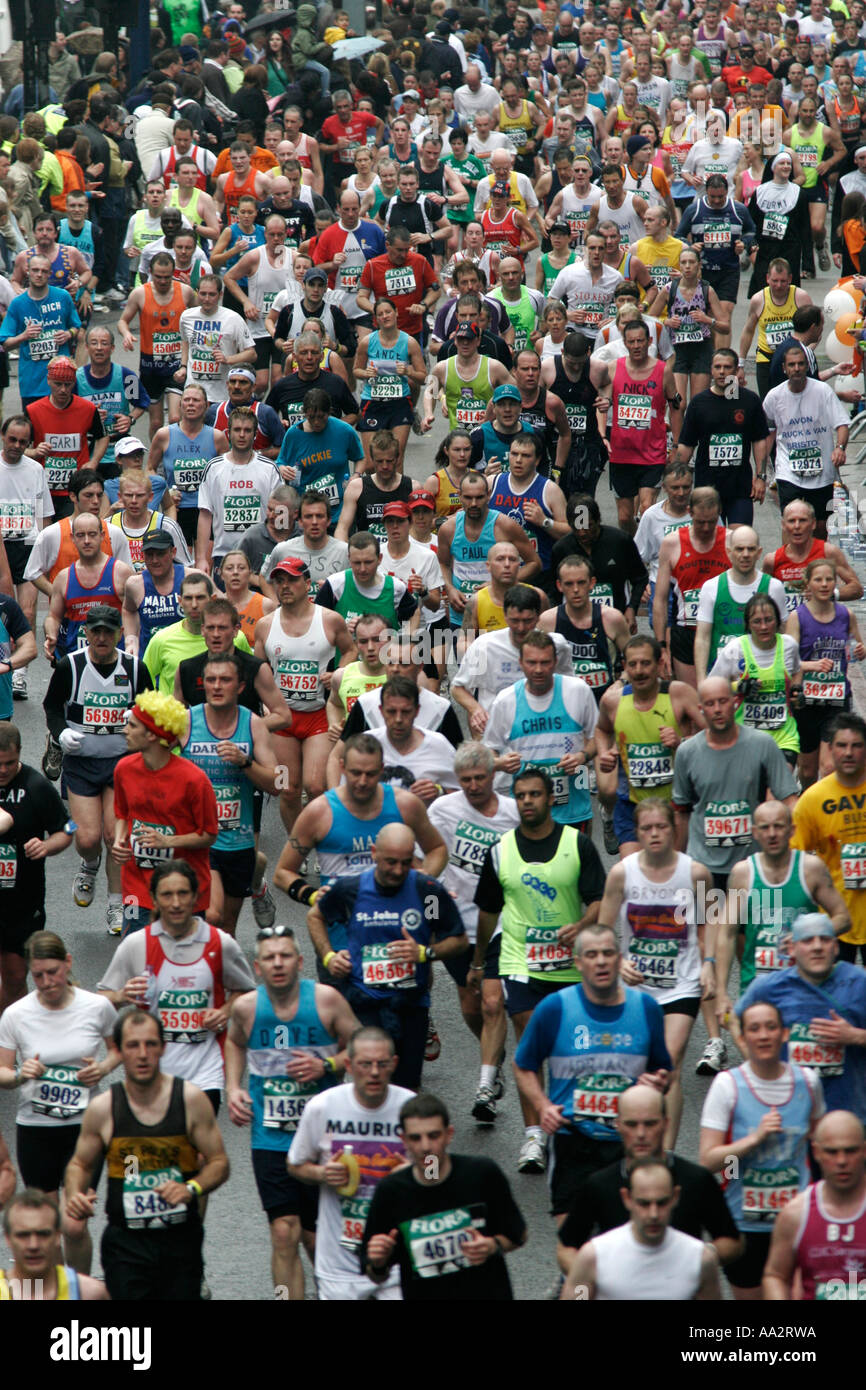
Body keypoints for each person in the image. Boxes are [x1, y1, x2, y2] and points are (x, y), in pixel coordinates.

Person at [471, 768, 606, 1173]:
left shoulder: (577, 844)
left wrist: (581, 927)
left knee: (569, 1050)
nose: (528, 801)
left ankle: (570, 1123)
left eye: (535, 795)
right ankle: (533, 1138)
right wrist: (479, 961)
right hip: (519, 960)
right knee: (529, 1043)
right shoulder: (500, 850)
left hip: (568, 966)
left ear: (550, 799)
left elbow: (598, 901)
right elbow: (488, 911)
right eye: (522, 795)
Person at [225, 923, 360, 1299]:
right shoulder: (248, 1008)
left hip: (323, 1139)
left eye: (285, 956)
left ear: (300, 961)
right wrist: (234, 1087)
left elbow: (363, 1048)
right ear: (257, 967)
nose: (278, 963)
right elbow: (235, 1043)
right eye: (270, 958)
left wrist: (328, 1067)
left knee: (318, 1240)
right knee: (284, 1230)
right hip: (271, 1136)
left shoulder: (327, 1001)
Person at [64, 1006, 229, 1301]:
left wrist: (191, 1188)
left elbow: (219, 1163)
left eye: (150, 1044)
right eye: (133, 1045)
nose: (142, 1054)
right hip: (126, 1243)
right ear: (120, 1052)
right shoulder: (103, 1108)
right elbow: (79, 1163)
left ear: (163, 1048)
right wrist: (74, 1193)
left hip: (180, 1239)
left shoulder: (190, 1099)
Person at [511, 915, 672, 1189]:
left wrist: (659, 1083)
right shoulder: (554, 1008)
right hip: (572, 1139)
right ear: (578, 962)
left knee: (624, 1228)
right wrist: (542, 1106)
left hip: (628, 1142)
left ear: (619, 959)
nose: (601, 961)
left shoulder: (646, 1008)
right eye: (592, 954)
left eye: (608, 953)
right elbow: (523, 1065)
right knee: (571, 1229)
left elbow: (663, 1072)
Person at [596, 799, 714, 1147]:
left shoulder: (696, 873)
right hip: (636, 987)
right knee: (638, 1066)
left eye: (661, 827)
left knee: (670, 1061)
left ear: (673, 828)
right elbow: (602, 931)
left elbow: (711, 924)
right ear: (638, 832)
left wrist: (709, 966)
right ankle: (638, 1142)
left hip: (682, 983)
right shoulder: (622, 873)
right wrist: (618, 962)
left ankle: (666, 1152)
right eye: (646, 828)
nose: (655, 834)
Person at [0, 930, 117, 1274]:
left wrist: (103, 1068)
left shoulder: (96, 1007)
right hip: (37, 1128)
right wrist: (23, 1074)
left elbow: (120, 1049)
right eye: (38, 976)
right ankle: (58, 1294)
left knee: (75, 1224)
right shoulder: (16, 1015)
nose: (47, 982)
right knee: (48, 1229)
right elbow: (2, 1071)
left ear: (68, 963)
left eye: (53, 972)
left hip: (85, 1129)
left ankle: (79, 1287)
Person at [700, 998, 823, 1299]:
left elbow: (823, 1148)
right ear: (742, 1038)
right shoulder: (727, 1085)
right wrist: (751, 1141)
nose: (764, 1035)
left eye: (771, 1027)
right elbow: (709, 1161)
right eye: (754, 1029)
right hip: (744, 1221)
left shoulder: (808, 1082)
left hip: (796, 1221)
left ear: (785, 1033)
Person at [43, 604, 152, 935]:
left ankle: (116, 903)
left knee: (114, 836)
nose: (102, 638)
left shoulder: (134, 668)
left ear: (119, 633)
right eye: (96, 631)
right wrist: (61, 733)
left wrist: (139, 718)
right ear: (86, 633)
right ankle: (89, 864)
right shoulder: (70, 666)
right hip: (82, 763)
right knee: (89, 838)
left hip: (123, 764)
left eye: (109, 631)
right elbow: (51, 706)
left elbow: (150, 708)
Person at [556, 1084, 742, 1277]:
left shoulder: (696, 1180)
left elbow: (731, 1242)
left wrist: (699, 1259)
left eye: (650, 1124)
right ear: (618, 1125)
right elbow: (566, 1248)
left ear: (666, 1123)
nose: (641, 1134)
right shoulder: (599, 1185)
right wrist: (592, 1277)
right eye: (631, 1124)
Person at [287, 1026, 412, 1301]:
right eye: (365, 1064)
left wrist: (416, 1175)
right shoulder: (322, 1107)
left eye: (382, 1064)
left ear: (394, 1064)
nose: (375, 1072)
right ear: (349, 1065)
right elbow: (295, 1164)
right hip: (339, 1262)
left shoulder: (411, 1108)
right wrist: (322, 1173)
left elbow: (436, 1168)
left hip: (399, 1259)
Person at [361, 1091, 526, 1299]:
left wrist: (492, 1246)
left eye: (433, 1135)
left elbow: (518, 1234)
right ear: (403, 1140)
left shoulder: (482, 1174)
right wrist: (378, 1263)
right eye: (415, 1138)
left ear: (449, 1134)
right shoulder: (391, 1191)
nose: (426, 1147)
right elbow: (376, 1274)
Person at [178, 653, 276, 936]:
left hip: (239, 840)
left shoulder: (254, 724)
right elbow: (153, 762)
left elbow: (279, 782)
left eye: (225, 680)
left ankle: (218, 978)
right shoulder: (185, 722)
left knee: (227, 929)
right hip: (197, 839)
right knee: (213, 914)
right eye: (211, 680)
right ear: (203, 686)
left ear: (240, 687)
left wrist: (245, 762)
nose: (217, 686)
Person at [255, 555, 352, 834]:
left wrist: (337, 675)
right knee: (288, 788)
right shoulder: (265, 625)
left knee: (316, 786)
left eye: (292, 580)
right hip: (283, 720)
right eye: (279, 581)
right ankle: (298, 846)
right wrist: (265, 705)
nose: (284, 586)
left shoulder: (330, 620)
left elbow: (351, 649)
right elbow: (257, 669)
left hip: (318, 717)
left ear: (307, 584)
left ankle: (323, 842)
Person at [112, 691, 219, 936]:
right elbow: (123, 813)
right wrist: (120, 840)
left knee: (181, 964)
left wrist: (167, 841)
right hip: (137, 888)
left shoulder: (195, 780)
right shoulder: (124, 769)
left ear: (151, 734)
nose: (125, 730)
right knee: (139, 962)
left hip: (184, 892)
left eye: (132, 725)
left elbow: (209, 835)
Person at [596, 633, 703, 858]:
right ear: (624, 666)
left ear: (660, 663)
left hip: (675, 804)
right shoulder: (613, 701)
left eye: (646, 663)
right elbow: (602, 729)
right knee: (633, 875)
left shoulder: (679, 694)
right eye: (633, 664)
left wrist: (682, 742)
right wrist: (604, 752)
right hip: (631, 803)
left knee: (672, 874)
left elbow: (713, 734)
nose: (639, 670)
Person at [561, 1157, 722, 1300]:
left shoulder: (701, 1259)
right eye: (644, 1204)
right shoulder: (593, 1257)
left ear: (675, 1198)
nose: (653, 1214)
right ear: (627, 1199)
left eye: (661, 1203)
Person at [763, 1109, 866, 1299]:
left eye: (851, 1151)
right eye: (832, 1152)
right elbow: (776, 1275)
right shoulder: (795, 1214)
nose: (841, 1161)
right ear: (816, 1152)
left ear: (864, 1150)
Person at [594, 319, 681, 537]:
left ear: (649, 341)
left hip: (652, 452)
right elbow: (601, 403)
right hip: (621, 452)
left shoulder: (663, 371)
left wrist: (677, 444)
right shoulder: (613, 368)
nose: (636, 346)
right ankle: (635, 551)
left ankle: (646, 558)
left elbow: (677, 406)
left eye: (640, 341)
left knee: (646, 508)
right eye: (631, 342)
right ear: (624, 343)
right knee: (624, 518)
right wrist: (602, 434)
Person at [675, 347, 770, 528]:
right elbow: (686, 445)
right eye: (717, 367)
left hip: (739, 488)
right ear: (711, 370)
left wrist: (760, 477)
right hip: (706, 489)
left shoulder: (750, 401)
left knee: (739, 541)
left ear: (735, 371)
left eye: (727, 367)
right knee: (710, 543)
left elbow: (759, 440)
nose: (721, 371)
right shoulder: (699, 403)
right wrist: (677, 480)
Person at [763, 343, 850, 538]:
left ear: (807, 367)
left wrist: (840, 448)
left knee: (819, 528)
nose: (796, 368)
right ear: (784, 368)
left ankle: (816, 565)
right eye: (792, 365)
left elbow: (842, 424)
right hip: (788, 470)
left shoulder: (823, 392)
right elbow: (766, 435)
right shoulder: (774, 397)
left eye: (801, 364)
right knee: (790, 521)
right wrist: (761, 472)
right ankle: (789, 565)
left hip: (822, 472)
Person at [653, 486, 730, 686]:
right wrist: (662, 645)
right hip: (687, 630)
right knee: (691, 699)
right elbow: (660, 600)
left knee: (722, 699)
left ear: (719, 512)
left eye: (711, 522)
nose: (705, 528)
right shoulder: (672, 543)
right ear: (690, 512)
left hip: (723, 630)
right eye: (700, 522)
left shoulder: (732, 541)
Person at [195, 410, 282, 582]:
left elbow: (281, 513)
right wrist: (201, 559)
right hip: (224, 555)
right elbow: (205, 515)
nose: (242, 435)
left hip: (262, 555)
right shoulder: (213, 467)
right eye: (237, 430)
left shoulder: (270, 468)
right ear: (228, 433)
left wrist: (281, 549)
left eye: (247, 430)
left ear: (255, 434)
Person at [694, 526, 787, 685]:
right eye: (739, 549)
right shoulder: (712, 587)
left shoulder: (774, 587)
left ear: (759, 552)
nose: (745, 555)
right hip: (722, 677)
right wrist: (702, 680)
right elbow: (702, 638)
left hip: (763, 678)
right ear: (729, 552)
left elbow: (784, 634)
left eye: (751, 549)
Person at [119, 254, 197, 436]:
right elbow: (123, 321)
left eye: (167, 276)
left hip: (176, 364)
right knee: (155, 422)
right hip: (150, 366)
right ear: (150, 273)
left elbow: (199, 314)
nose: (163, 281)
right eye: (158, 276)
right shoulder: (139, 293)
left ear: (173, 273)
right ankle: (157, 462)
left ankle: (172, 459)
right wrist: (126, 333)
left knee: (176, 418)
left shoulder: (185, 292)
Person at [538, 554, 630, 704]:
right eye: (569, 584)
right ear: (559, 586)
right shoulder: (547, 621)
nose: (575, 589)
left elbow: (634, 659)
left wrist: (621, 683)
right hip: (564, 703)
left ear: (592, 583)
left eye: (581, 582)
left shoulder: (612, 618)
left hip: (605, 701)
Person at [25, 355, 107, 521]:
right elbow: (17, 447)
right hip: (42, 488)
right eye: (58, 384)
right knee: (41, 535)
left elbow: (103, 437)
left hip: (75, 490)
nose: (63, 389)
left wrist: (93, 462)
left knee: (74, 532)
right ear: (48, 380)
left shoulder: (88, 409)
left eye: (68, 385)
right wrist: (34, 452)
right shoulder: (33, 411)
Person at [353, 297, 427, 468]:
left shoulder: (409, 342)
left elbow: (423, 376)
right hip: (373, 401)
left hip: (399, 402)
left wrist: (409, 371)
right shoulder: (367, 342)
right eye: (380, 314)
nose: (385, 316)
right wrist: (366, 373)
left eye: (388, 312)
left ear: (396, 313)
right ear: (376, 319)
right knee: (371, 463)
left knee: (396, 459)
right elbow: (356, 371)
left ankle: (398, 494)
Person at [0, 255, 80, 411]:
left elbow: (76, 326)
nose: (39, 274)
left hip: (62, 381)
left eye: (44, 271)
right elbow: (5, 343)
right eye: (35, 270)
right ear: (27, 271)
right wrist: (24, 336)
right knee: (34, 432)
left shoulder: (62, 297)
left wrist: (68, 334)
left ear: (50, 274)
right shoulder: (18, 304)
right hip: (32, 383)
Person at [0, 1189, 109, 1300]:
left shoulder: (90, 1293)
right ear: (8, 1238)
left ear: (58, 1235)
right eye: (23, 1235)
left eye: (43, 1234)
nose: (33, 1245)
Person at [276, 388, 363, 518]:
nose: (316, 422)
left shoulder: (344, 431)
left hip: (339, 511)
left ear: (329, 412)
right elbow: (280, 462)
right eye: (311, 417)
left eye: (321, 417)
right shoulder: (294, 434)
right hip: (308, 512)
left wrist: (356, 475)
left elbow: (360, 458)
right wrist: (282, 468)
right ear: (304, 414)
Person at [738, 256, 813, 400]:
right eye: (775, 281)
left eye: (783, 281)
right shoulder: (758, 299)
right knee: (768, 404)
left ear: (790, 278)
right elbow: (748, 331)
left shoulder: (801, 297)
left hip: (794, 359)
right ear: (767, 278)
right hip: (766, 358)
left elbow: (815, 329)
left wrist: (807, 352)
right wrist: (740, 364)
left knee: (794, 401)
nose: (778, 285)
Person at [178, 274, 256, 405]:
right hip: (194, 389)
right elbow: (186, 341)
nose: (207, 299)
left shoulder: (233, 318)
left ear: (220, 294)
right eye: (203, 294)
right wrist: (183, 366)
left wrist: (227, 359)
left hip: (221, 393)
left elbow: (252, 354)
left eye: (212, 294)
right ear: (197, 293)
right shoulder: (187, 316)